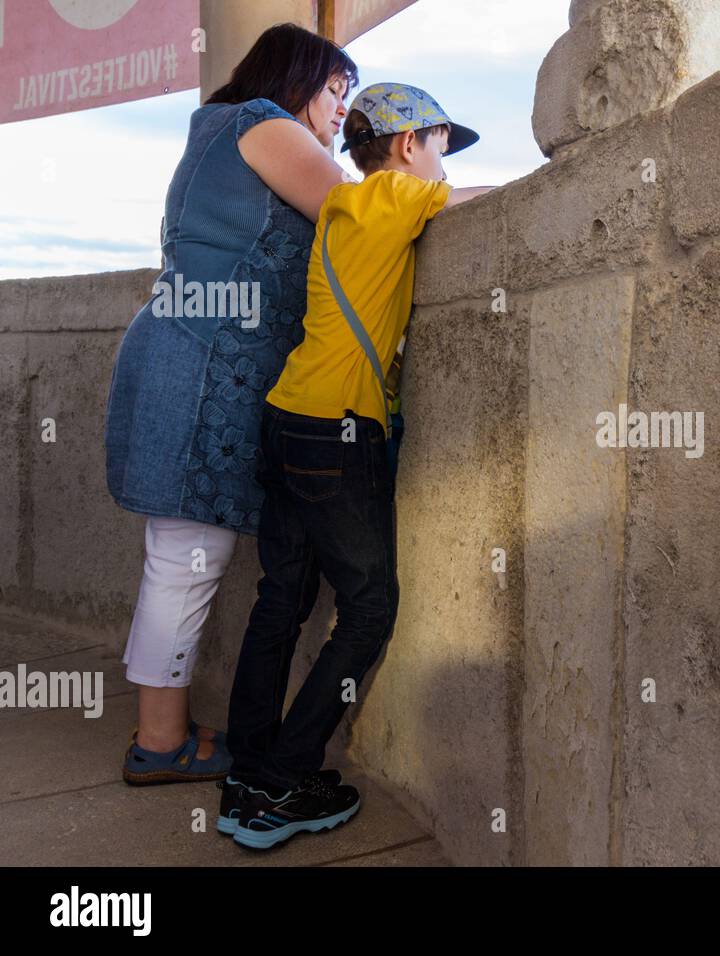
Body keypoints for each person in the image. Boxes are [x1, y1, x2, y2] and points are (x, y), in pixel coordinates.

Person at [221, 82, 494, 849]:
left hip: (287, 415)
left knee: (284, 595)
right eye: (440, 146)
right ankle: (282, 779)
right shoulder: (395, 200)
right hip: (338, 430)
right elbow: (480, 195)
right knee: (369, 606)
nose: (443, 165)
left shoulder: (343, 209)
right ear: (410, 147)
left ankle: (249, 764)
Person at [105, 24, 360, 784]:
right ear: (294, 78)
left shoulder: (219, 130)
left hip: (188, 351)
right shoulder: (262, 123)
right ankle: (158, 744)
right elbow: (355, 216)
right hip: (203, 365)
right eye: (333, 89)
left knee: (177, 556)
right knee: (186, 559)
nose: (341, 108)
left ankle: (164, 725)